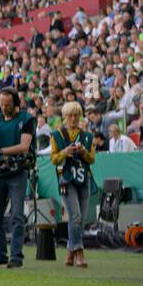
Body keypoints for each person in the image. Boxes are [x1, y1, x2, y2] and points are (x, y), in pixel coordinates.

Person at [0, 88, 35, 268]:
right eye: (2, 104)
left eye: (8, 105)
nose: (4, 108)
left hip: (18, 171)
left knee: (17, 216)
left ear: (16, 103)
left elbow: (25, 145)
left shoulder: (27, 119)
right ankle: (0, 254)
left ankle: (16, 256)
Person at [52, 101, 95, 268]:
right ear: (65, 116)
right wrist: (65, 152)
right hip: (67, 179)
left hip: (85, 178)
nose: (73, 118)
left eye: (76, 115)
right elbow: (53, 159)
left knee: (80, 219)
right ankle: (79, 252)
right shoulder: (57, 135)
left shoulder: (87, 136)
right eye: (70, 115)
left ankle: (70, 252)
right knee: (75, 216)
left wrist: (83, 152)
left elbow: (92, 159)